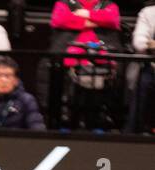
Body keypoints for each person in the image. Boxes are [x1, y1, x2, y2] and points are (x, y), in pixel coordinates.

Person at [46, 0, 122, 129]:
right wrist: (96, 22)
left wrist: (86, 14)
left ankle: (101, 121)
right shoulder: (63, 3)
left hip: (102, 63)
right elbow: (60, 20)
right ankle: (64, 121)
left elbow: (112, 19)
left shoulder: (109, 4)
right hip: (68, 60)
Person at [126, 3, 155, 133]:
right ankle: (131, 132)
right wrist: (150, 45)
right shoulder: (148, 12)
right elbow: (139, 42)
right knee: (143, 83)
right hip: (151, 67)